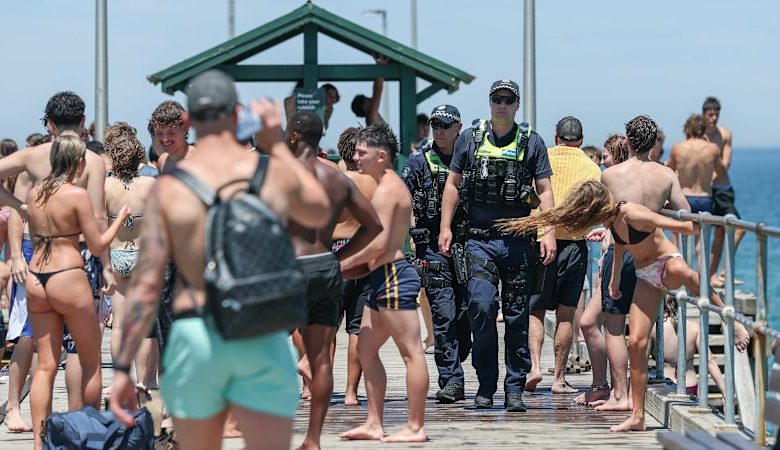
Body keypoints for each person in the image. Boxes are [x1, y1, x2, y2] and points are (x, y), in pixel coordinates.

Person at [109, 70, 331, 450]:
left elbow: (147, 284)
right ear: (237, 114)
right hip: (261, 330)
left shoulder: (171, 187)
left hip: (197, 333)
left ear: (189, 121)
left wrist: (123, 368)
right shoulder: (267, 170)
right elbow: (318, 210)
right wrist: (276, 144)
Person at [499, 178, 747, 431]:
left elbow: (681, 226)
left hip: (665, 263)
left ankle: (733, 323)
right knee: (638, 344)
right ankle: (637, 417)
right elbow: (621, 243)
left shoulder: (634, 213)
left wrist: (696, 225)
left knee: (690, 277)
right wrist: (615, 278)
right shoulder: (612, 218)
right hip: (645, 275)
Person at [438, 79, 556, 412]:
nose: (502, 104)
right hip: (479, 240)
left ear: (517, 104)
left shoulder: (531, 142)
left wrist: (547, 231)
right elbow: (453, 184)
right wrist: (445, 227)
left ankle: (514, 387)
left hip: (518, 241)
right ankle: (486, 384)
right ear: (489, 102)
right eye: (496, 99)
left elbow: (545, 191)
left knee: (518, 316)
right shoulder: (469, 139)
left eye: (508, 99)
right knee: (481, 308)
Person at [0, 91, 115, 412]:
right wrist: (106, 266)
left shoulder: (31, 156)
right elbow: (98, 217)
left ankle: (42, 439)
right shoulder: (92, 161)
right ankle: (82, 424)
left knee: (45, 359)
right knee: (82, 353)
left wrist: (20, 208)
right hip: (79, 261)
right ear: (82, 123)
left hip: (40, 260)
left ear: (49, 123)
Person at [25, 135, 130, 450]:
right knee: (90, 361)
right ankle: (87, 437)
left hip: (36, 278)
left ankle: (38, 442)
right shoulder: (76, 195)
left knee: (45, 365)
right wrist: (120, 219)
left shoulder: (33, 194)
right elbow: (97, 245)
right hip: (67, 277)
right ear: (79, 161)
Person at [284, 111, 381, 450]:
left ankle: (248, 423)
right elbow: (374, 225)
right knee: (321, 357)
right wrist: (340, 257)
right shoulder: (336, 178)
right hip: (324, 265)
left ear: (295, 135)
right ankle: (313, 439)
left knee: (257, 345)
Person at [339, 123, 427, 443]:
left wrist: (339, 266)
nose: (356, 157)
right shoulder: (381, 186)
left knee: (411, 353)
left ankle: (416, 427)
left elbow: (378, 246)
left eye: (362, 153)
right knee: (365, 348)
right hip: (381, 277)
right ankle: (374, 422)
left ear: (382, 156)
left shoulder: (389, 189)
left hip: (393, 276)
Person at [401, 105, 472, 404]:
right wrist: (408, 236)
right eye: (435, 125)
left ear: (458, 126)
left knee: (471, 311)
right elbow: (400, 198)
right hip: (433, 246)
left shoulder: (471, 157)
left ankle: (460, 355)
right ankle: (452, 380)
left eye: (445, 125)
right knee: (444, 316)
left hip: (470, 244)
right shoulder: (419, 161)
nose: (439, 130)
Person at [527, 116, 601, 394]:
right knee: (566, 314)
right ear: (581, 141)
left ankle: (534, 366)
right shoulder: (592, 167)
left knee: (535, 308)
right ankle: (558, 378)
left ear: (555, 137)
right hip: (574, 245)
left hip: (540, 242)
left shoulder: (542, 157)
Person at [574, 134, 629, 407]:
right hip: (613, 256)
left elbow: (623, 218)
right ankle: (603, 386)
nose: (602, 161)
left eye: (606, 155)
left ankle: (616, 391)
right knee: (591, 322)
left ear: (617, 155)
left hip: (619, 259)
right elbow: (617, 218)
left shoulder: (613, 179)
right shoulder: (618, 179)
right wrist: (603, 231)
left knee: (607, 325)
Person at [103, 122, 157, 389]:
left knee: (121, 326)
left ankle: (121, 379)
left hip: (115, 257)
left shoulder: (105, 186)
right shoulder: (150, 182)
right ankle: (144, 384)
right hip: (143, 257)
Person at [332, 126, 378, 406]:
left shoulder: (333, 181)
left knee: (326, 328)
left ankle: (315, 387)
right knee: (356, 329)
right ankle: (351, 393)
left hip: (335, 254)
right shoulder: (372, 183)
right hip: (363, 255)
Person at [703, 97, 744, 288]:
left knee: (735, 228)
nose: (714, 117)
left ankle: (722, 272)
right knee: (714, 232)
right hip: (706, 190)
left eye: (717, 114)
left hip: (723, 189)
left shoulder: (725, 133)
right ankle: (711, 275)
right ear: (704, 114)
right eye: (710, 114)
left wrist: (711, 177)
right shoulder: (699, 135)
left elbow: (726, 163)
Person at [650, 296, 725, 399]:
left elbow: (642, 360)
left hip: (663, 385)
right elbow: (709, 361)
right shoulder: (695, 327)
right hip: (690, 386)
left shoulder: (654, 328)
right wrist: (724, 392)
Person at [667, 114, 723, 214]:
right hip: (706, 198)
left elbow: (669, 172)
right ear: (704, 129)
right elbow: (721, 171)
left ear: (686, 129)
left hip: (685, 197)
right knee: (704, 229)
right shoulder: (713, 149)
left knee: (684, 228)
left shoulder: (678, 148)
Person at [147, 100, 195, 173]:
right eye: (159, 133)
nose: (165, 139)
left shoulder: (198, 158)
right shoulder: (162, 161)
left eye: (171, 133)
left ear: (185, 129)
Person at [351, 55, 388, 126]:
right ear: (364, 105)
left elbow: (376, 90)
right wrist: (381, 67)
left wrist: (379, 67)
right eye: (366, 98)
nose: (369, 98)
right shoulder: (371, 117)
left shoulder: (370, 118)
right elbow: (377, 92)